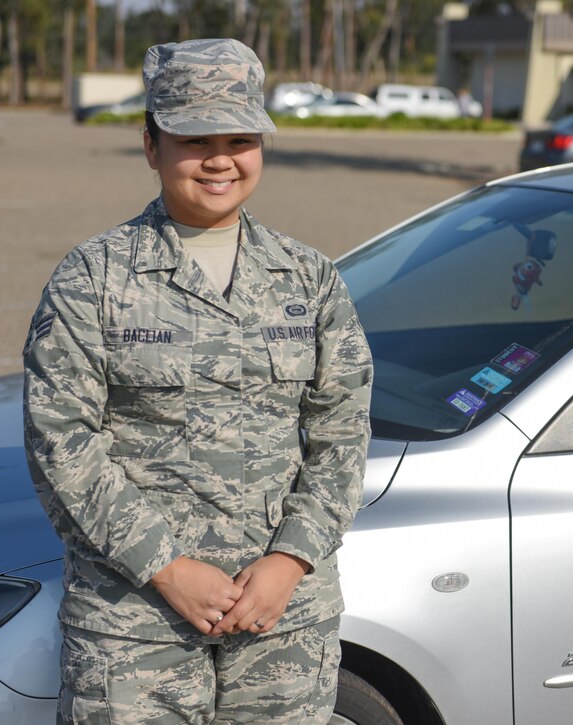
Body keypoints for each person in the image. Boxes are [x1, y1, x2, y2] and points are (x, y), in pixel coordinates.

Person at [22, 37, 372, 724]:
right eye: (193, 138)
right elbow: (60, 440)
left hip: (281, 623)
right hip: (134, 624)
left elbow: (343, 433)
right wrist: (167, 568)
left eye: (241, 138)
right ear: (151, 145)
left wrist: (289, 563)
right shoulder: (93, 278)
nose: (220, 159)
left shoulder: (309, 279)